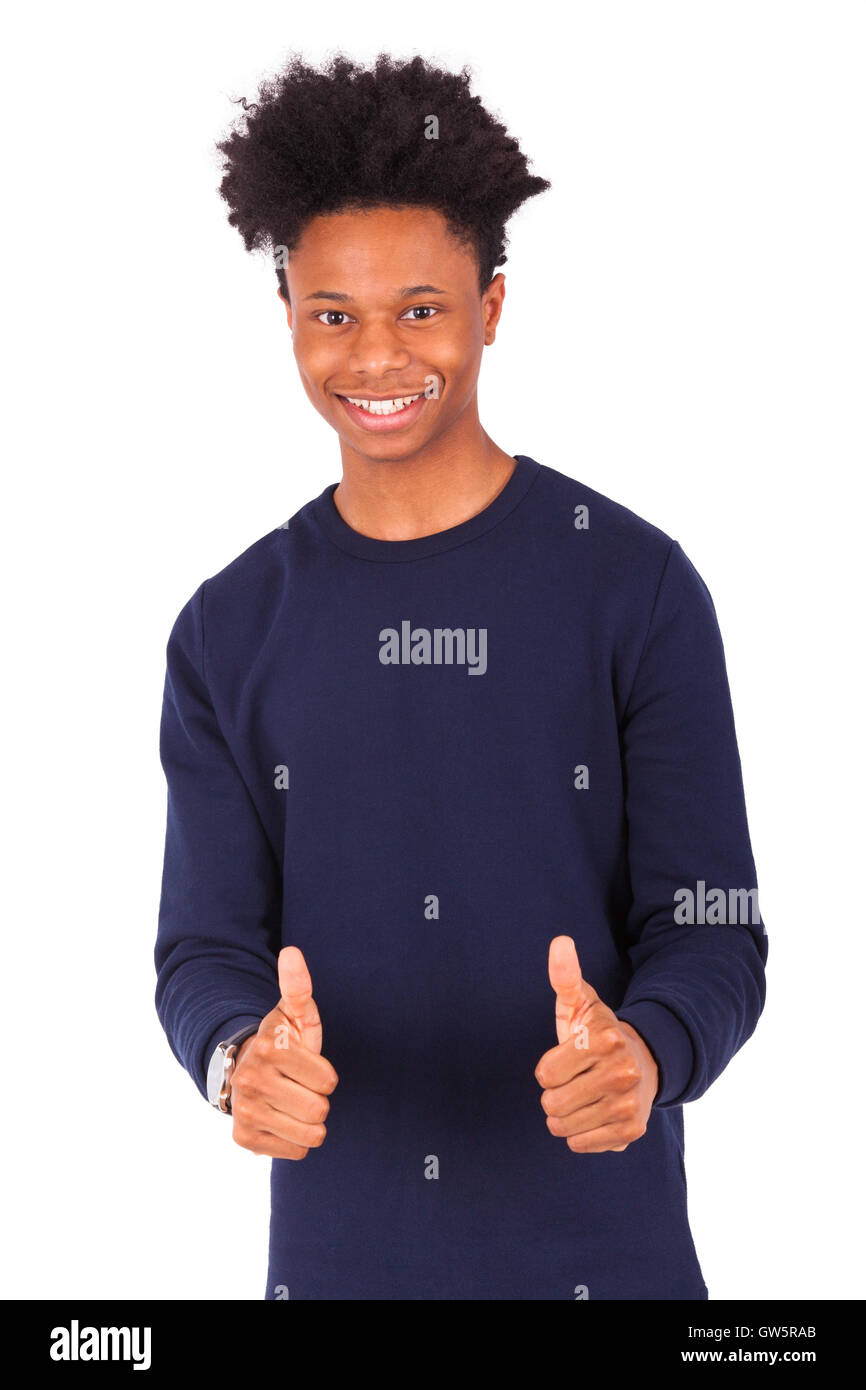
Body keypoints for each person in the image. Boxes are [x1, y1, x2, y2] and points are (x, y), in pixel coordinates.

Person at [155, 51, 767, 1300]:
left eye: (419, 308)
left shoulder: (634, 586)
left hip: (609, 1266)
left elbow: (712, 928)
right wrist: (234, 1057)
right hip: (336, 1269)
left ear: (491, 306)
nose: (375, 355)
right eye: (333, 313)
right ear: (286, 312)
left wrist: (645, 1051)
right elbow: (203, 951)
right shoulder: (226, 628)